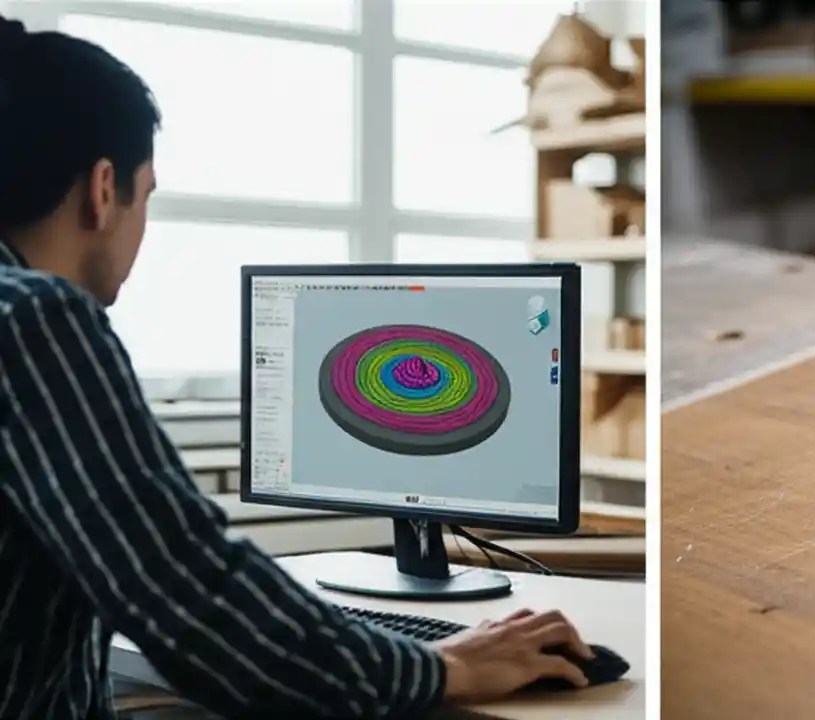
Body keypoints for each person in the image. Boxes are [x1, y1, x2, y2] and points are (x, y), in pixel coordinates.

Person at [0, 18, 594, 719]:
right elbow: (193, 597)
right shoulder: (32, 319)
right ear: (104, 189)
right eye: (148, 193)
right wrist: (440, 668)